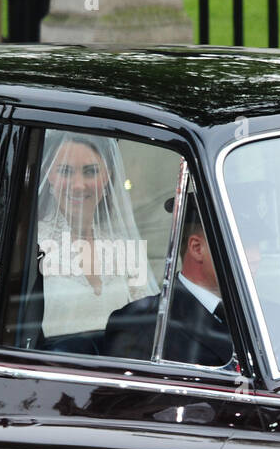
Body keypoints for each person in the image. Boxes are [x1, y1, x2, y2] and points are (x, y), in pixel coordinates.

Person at [36, 131, 155, 338]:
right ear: (49, 174)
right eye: (65, 171)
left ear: (107, 176)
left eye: (90, 172)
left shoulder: (127, 249)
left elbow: (147, 326)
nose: (79, 185)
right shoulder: (33, 242)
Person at [103, 194, 235, 367]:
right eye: (238, 245)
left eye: (257, 246)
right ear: (197, 248)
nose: (256, 257)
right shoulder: (143, 325)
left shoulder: (262, 315)